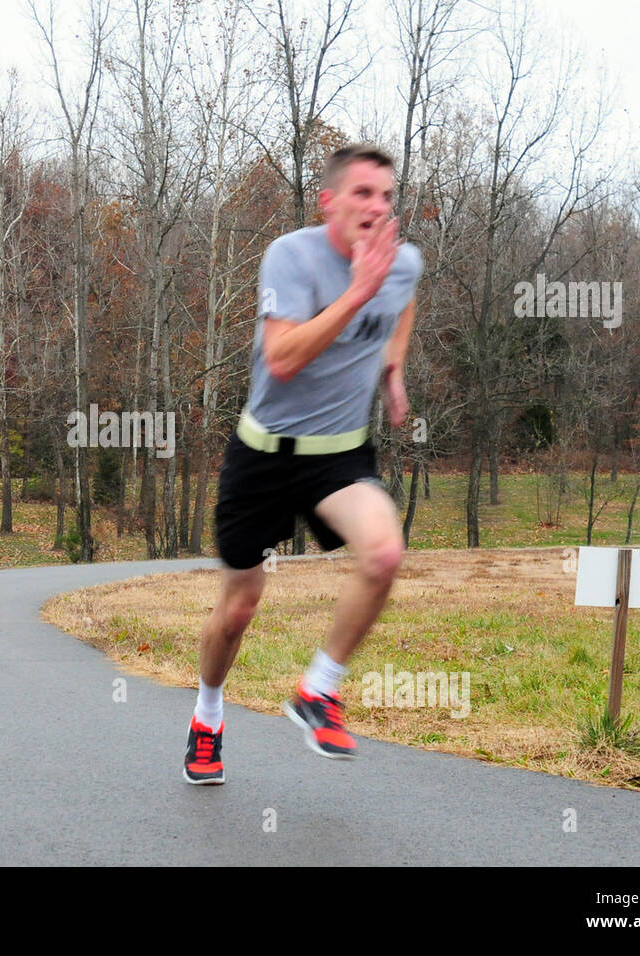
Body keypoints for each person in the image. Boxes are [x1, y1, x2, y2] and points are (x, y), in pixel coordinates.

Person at [183, 143, 424, 785]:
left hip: (338, 456)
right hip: (264, 454)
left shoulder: (401, 265)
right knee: (238, 609)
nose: (377, 208)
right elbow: (284, 358)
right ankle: (208, 717)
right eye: (363, 194)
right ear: (330, 202)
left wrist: (393, 364)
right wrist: (357, 292)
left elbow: (403, 300)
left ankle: (319, 689)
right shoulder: (292, 255)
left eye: (387, 197)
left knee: (384, 554)